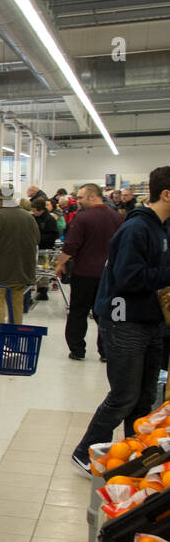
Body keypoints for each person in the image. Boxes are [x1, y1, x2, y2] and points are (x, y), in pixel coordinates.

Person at [70, 167, 170, 473]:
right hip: (123, 317)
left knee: (144, 396)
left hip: (150, 321)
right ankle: (85, 451)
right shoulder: (136, 229)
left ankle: (135, 452)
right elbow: (128, 278)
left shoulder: (163, 229)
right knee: (124, 394)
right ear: (166, 194)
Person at [56, 183, 123, 361]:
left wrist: (60, 264)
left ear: (92, 197)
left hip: (84, 273)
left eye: (80, 197)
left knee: (78, 312)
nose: (78, 201)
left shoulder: (82, 218)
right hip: (110, 275)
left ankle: (77, 350)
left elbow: (71, 246)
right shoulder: (117, 217)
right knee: (105, 314)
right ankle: (106, 351)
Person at [0, 186, 37, 322]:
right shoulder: (28, 216)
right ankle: (14, 338)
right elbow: (37, 239)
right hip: (21, 271)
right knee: (16, 306)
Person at [31, 196, 60, 300]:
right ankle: (37, 289)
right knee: (37, 269)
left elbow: (54, 234)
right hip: (35, 248)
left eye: (34, 210)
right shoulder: (34, 218)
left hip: (45, 248)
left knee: (42, 270)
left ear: (40, 209)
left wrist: (39, 239)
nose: (33, 212)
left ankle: (43, 291)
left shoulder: (49, 219)